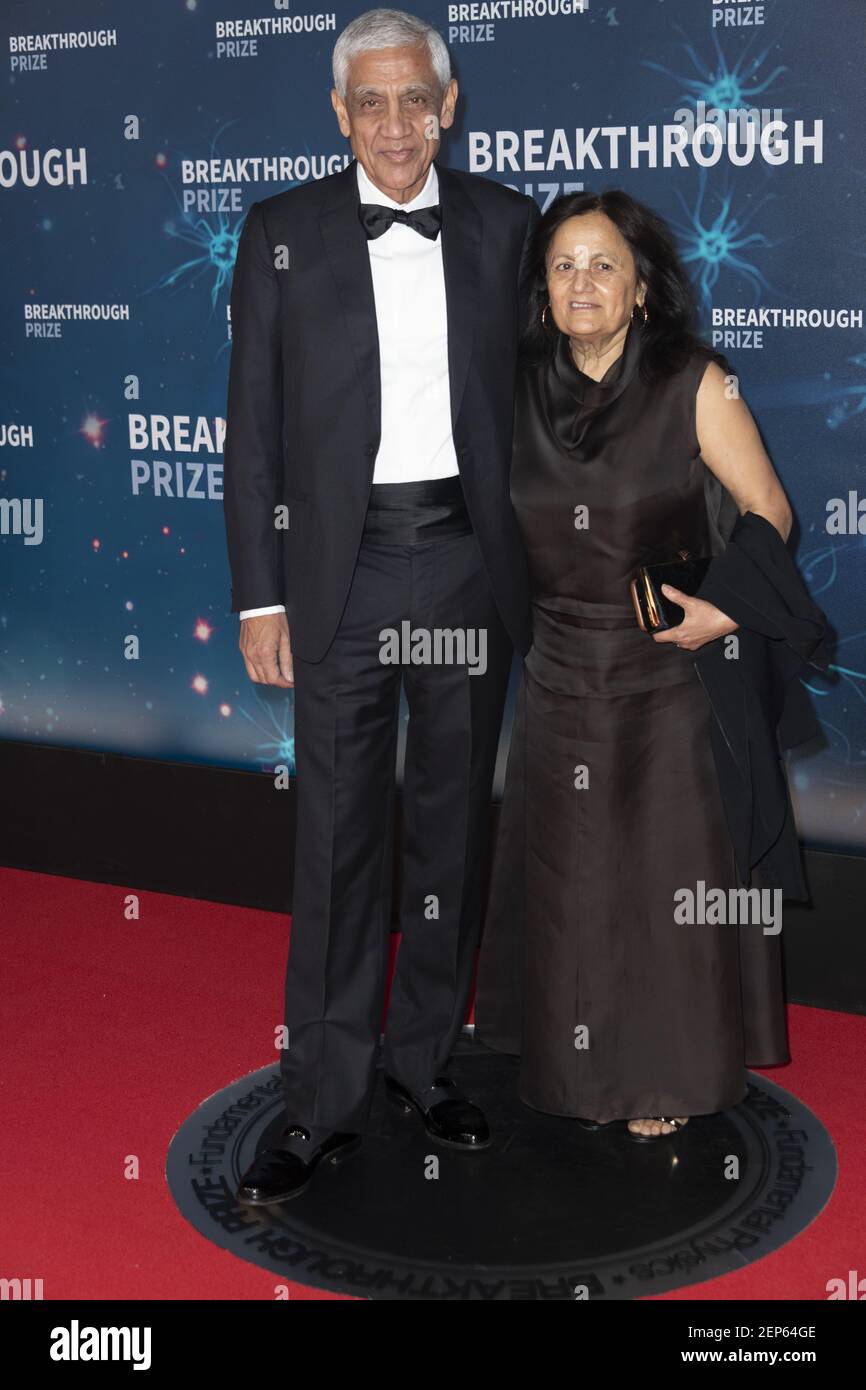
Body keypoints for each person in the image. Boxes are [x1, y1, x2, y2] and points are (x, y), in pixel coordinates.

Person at [222, 9, 539, 1202]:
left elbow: (554, 403)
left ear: (447, 106)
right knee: (340, 839)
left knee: (451, 829)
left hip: (466, 566)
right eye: (373, 102)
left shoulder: (510, 228)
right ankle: (323, 1094)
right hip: (338, 580)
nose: (396, 125)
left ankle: (422, 1059)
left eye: (417, 100)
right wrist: (261, 593)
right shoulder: (283, 232)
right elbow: (252, 432)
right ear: (339, 114)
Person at [474, 189, 814, 1141]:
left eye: (604, 266)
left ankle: (658, 1071)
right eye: (564, 266)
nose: (583, 284)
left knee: (659, 877)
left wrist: (728, 608)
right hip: (553, 666)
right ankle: (565, 1055)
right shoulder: (512, 382)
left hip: (664, 672)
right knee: (571, 873)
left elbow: (770, 512)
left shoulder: (695, 380)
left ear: (643, 288)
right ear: (543, 287)